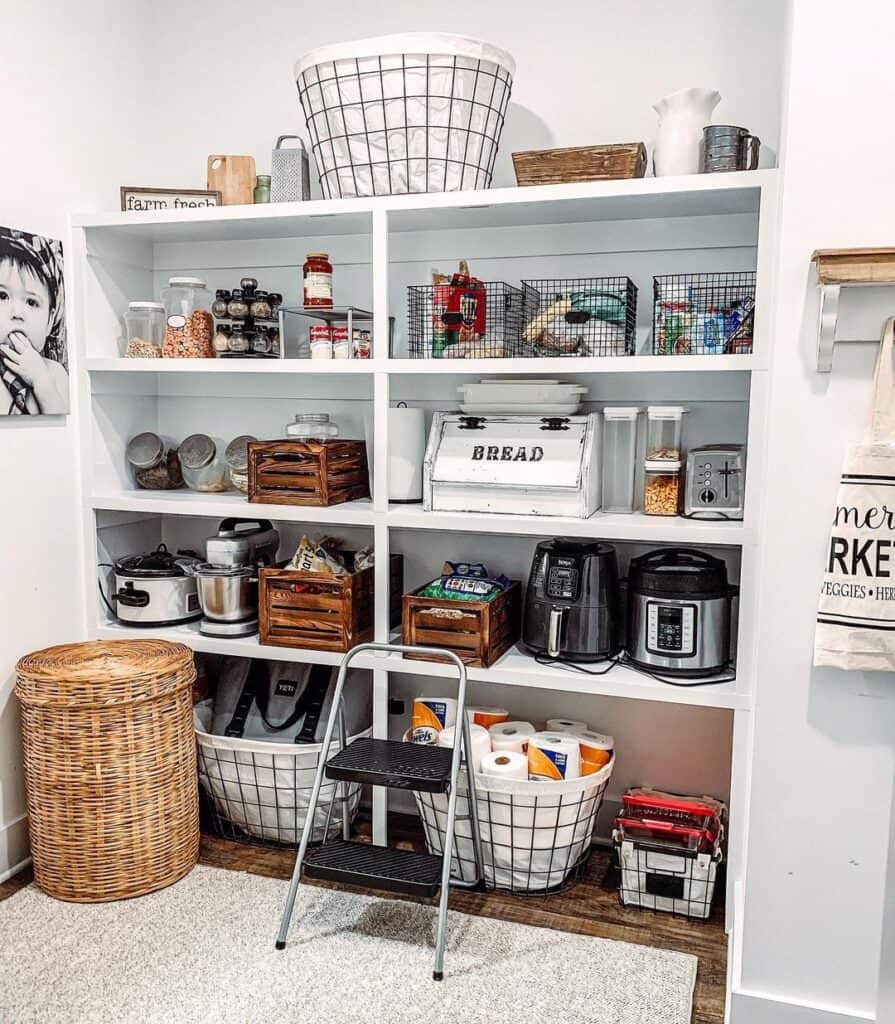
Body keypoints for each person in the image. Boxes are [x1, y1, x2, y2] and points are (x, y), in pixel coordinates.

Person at [0, 228, 68, 415]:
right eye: (3, 295)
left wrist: (40, 379)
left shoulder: (54, 373)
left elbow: (64, 426)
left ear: (50, 320)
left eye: (31, 302)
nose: (17, 314)